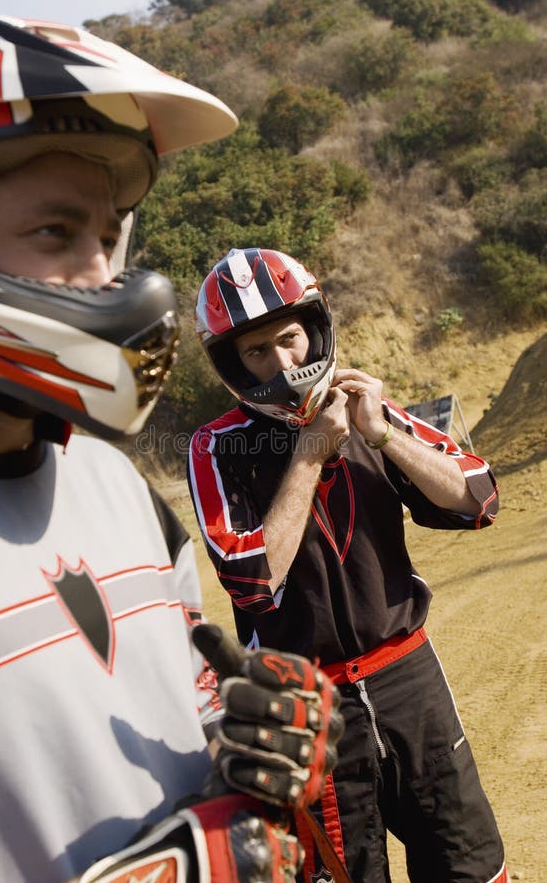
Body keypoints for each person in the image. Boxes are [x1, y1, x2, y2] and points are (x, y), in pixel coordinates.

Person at [0, 21, 343, 882]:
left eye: (111, 232)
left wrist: (250, 745)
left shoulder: (116, 487)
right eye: (56, 234)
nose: (101, 274)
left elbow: (185, 708)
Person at [187, 246, 510, 883]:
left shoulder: (365, 406)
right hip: (307, 703)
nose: (282, 364)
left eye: (290, 339)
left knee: (468, 860)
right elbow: (250, 578)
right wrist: (310, 454)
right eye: (257, 353)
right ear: (231, 363)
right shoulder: (216, 447)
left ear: (317, 327)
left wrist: (383, 432)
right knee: (345, 872)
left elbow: (479, 498)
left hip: (408, 676)